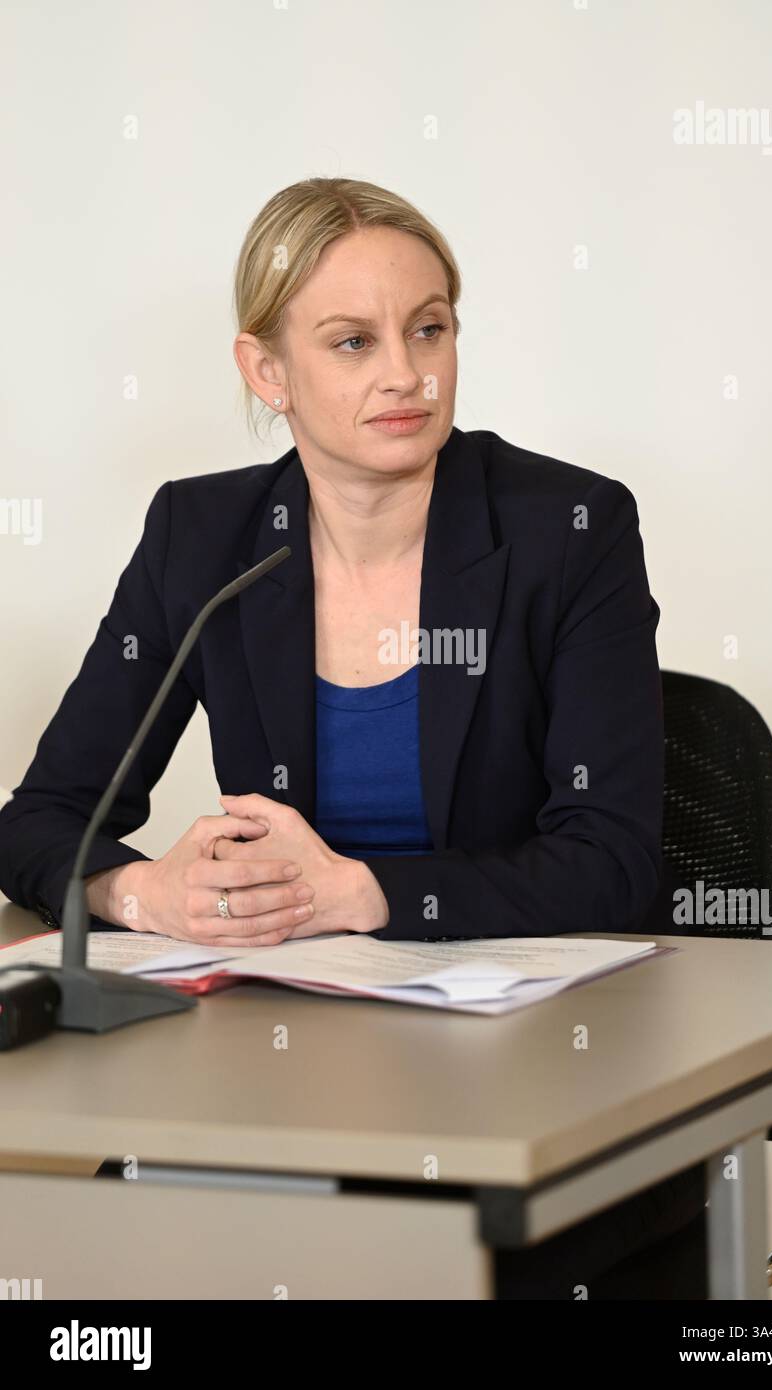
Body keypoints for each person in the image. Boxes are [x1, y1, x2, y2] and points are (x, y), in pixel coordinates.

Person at [0, 176, 705, 1295]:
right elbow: (40, 821)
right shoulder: (204, 535)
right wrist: (144, 897)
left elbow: (613, 862)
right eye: (351, 340)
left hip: (540, 1080)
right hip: (280, 1077)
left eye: (430, 328)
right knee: (107, 1263)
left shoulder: (567, 529)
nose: (405, 373)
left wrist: (363, 892)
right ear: (266, 371)